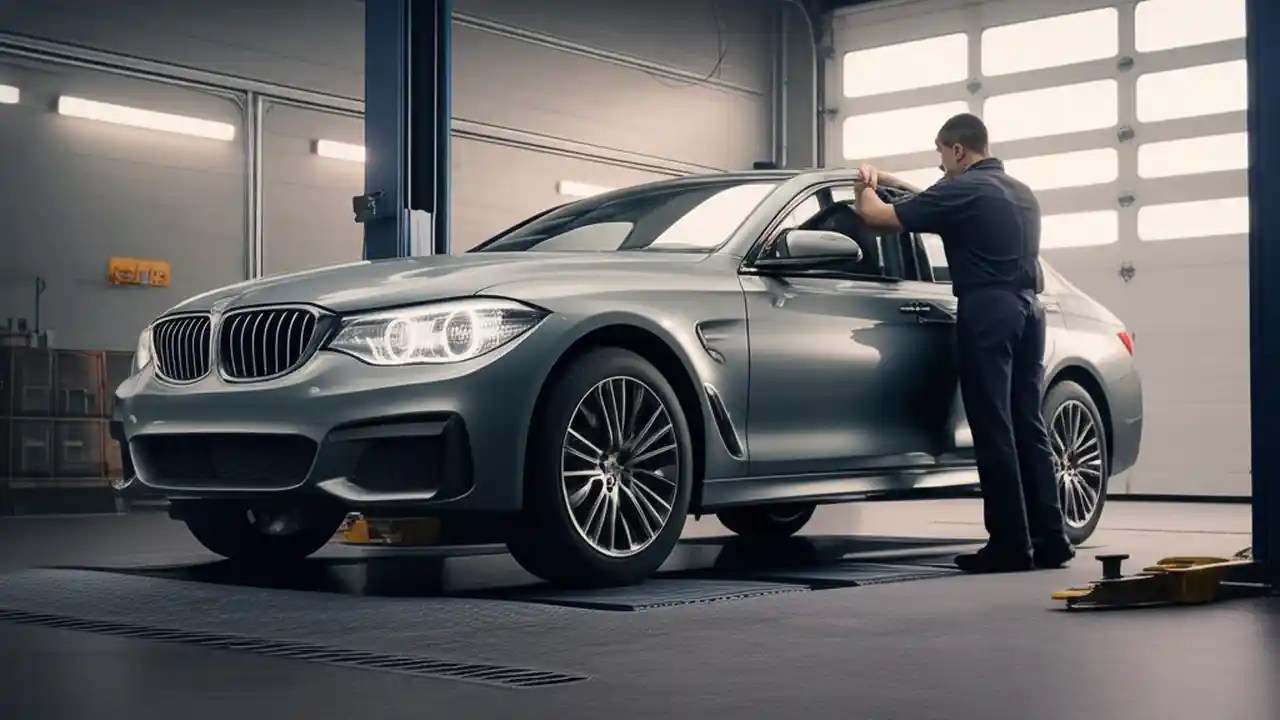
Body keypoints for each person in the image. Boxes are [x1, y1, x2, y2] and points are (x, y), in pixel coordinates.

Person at [850, 112, 1074, 573]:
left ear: (957, 150)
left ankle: (1010, 545)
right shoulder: (1019, 193)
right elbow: (928, 194)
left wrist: (862, 185)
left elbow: (875, 217)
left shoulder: (961, 191)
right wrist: (884, 176)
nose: (939, 166)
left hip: (988, 310)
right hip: (1031, 312)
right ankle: (1051, 539)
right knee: (1028, 425)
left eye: (940, 155)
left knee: (993, 427)